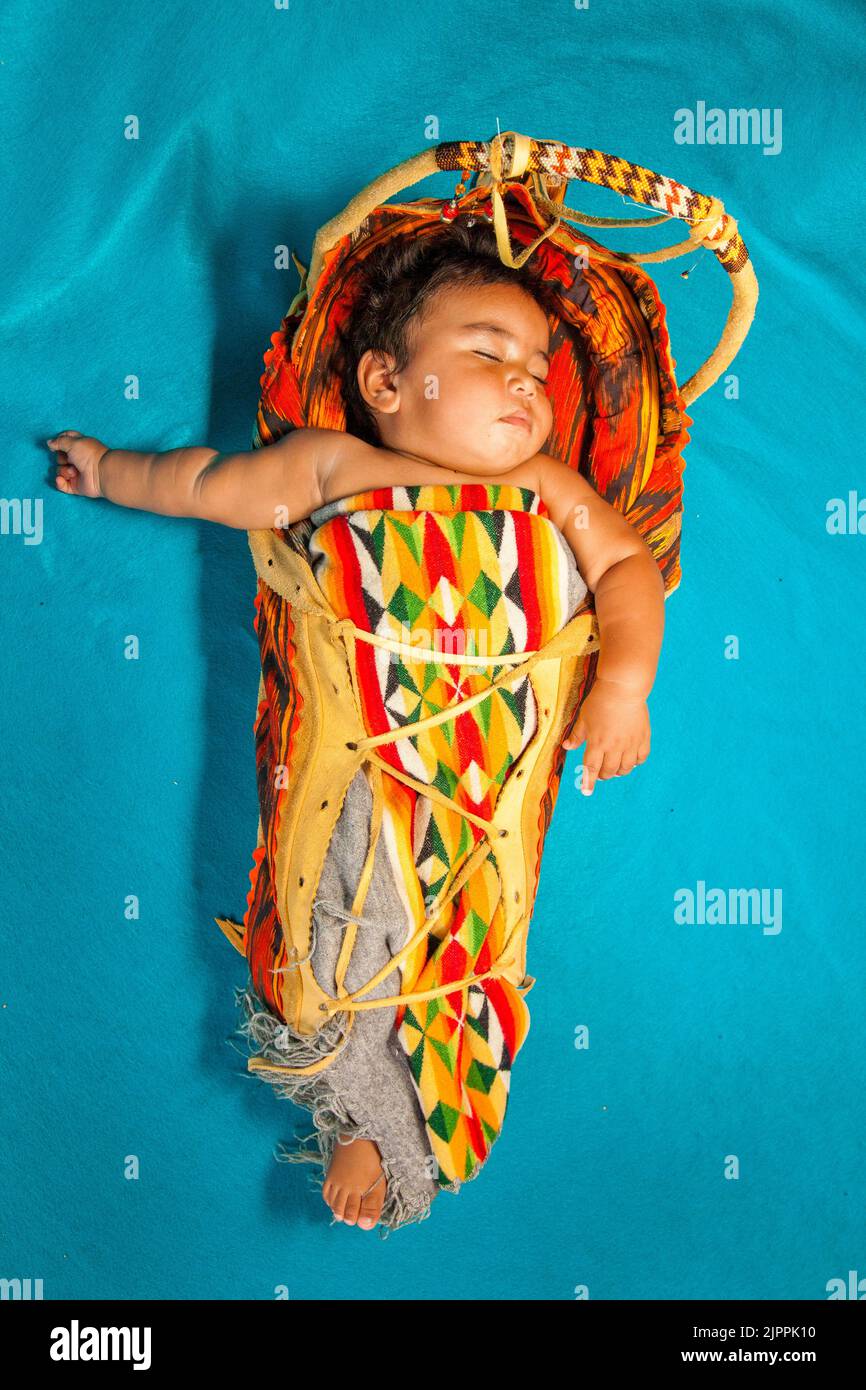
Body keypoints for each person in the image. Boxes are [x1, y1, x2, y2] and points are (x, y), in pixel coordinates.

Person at [47, 218, 664, 1232]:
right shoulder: (334, 469)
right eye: (486, 353)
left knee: (473, 963)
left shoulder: (544, 491)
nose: (525, 383)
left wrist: (624, 684)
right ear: (386, 382)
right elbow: (205, 485)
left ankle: (418, 1126)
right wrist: (112, 469)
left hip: (482, 803)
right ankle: (361, 1108)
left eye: (541, 370)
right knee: (343, 942)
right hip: (367, 773)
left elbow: (625, 570)